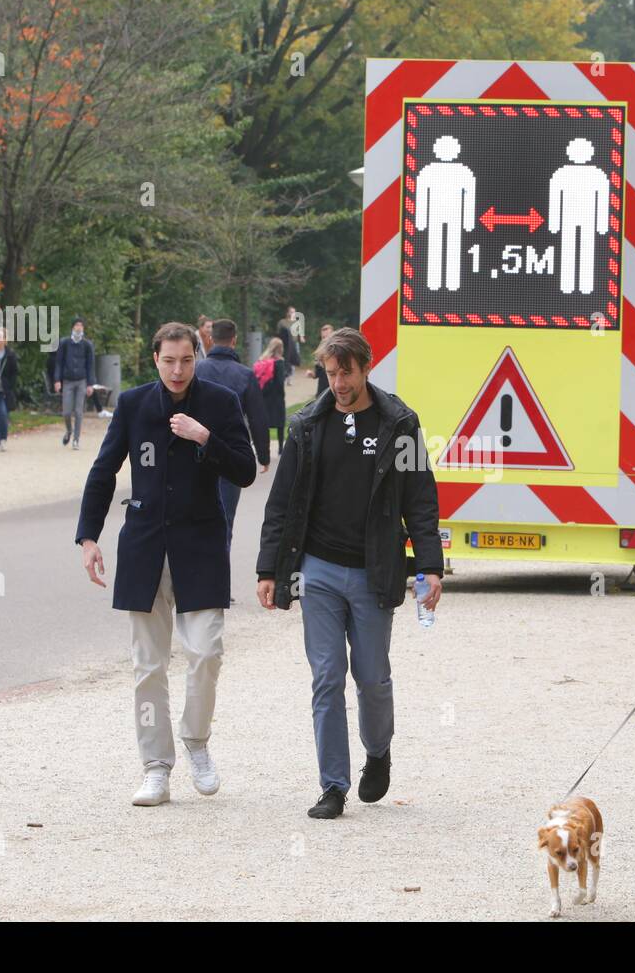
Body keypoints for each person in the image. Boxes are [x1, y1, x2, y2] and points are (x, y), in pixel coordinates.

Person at [256, 327, 444, 820]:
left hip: (372, 570)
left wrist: (429, 566)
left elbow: (420, 499)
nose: (338, 383)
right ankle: (333, 785)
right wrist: (268, 569)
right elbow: (282, 503)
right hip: (316, 569)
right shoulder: (307, 425)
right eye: (330, 373)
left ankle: (377, 753)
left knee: (373, 677)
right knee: (326, 677)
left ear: (366, 367)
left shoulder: (398, 424)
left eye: (346, 373)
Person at [75, 322, 256, 806]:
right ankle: (156, 766)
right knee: (148, 667)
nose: (178, 370)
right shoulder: (134, 405)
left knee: (206, 653)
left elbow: (244, 468)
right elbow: (103, 470)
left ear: (197, 357)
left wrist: (205, 438)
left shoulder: (219, 402)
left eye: (186, 360)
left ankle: (196, 741)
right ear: (155, 359)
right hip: (145, 546)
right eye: (169, 360)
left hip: (200, 546)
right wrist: (88, 537)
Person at [195, 317, 271, 552]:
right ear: (234, 341)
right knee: (224, 521)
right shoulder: (245, 375)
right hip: (230, 455)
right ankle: (218, 578)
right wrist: (263, 455)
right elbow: (258, 418)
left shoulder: (196, 370)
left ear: (210, 338)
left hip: (196, 453)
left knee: (195, 519)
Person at [53, 316, 95, 449]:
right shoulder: (64, 343)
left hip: (81, 380)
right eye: (76, 325)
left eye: (81, 325)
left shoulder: (87, 344)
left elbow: (90, 365)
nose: (79, 328)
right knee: (66, 412)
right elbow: (58, 363)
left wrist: (90, 384)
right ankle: (69, 430)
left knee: (78, 412)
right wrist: (57, 380)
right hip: (68, 380)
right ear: (72, 327)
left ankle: (76, 439)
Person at [254, 337, 289, 455]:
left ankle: (266, 448)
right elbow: (280, 382)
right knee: (280, 423)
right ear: (280, 348)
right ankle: (280, 448)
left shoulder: (263, 360)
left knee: (266, 423)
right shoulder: (279, 362)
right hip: (277, 397)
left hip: (265, 396)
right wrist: (282, 394)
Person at [306, 324, 334, 398]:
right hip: (321, 392)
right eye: (323, 337)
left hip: (334, 391)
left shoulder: (338, 351)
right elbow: (317, 374)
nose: (325, 340)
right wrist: (311, 374)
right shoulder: (319, 352)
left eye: (327, 337)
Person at [275, 305, 302, 371]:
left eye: (294, 312)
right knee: (284, 359)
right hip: (284, 344)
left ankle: (290, 373)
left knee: (294, 359)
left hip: (294, 343)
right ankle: (285, 372)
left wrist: (301, 338)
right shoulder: (282, 322)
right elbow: (278, 333)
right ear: (287, 313)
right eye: (291, 312)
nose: (293, 313)